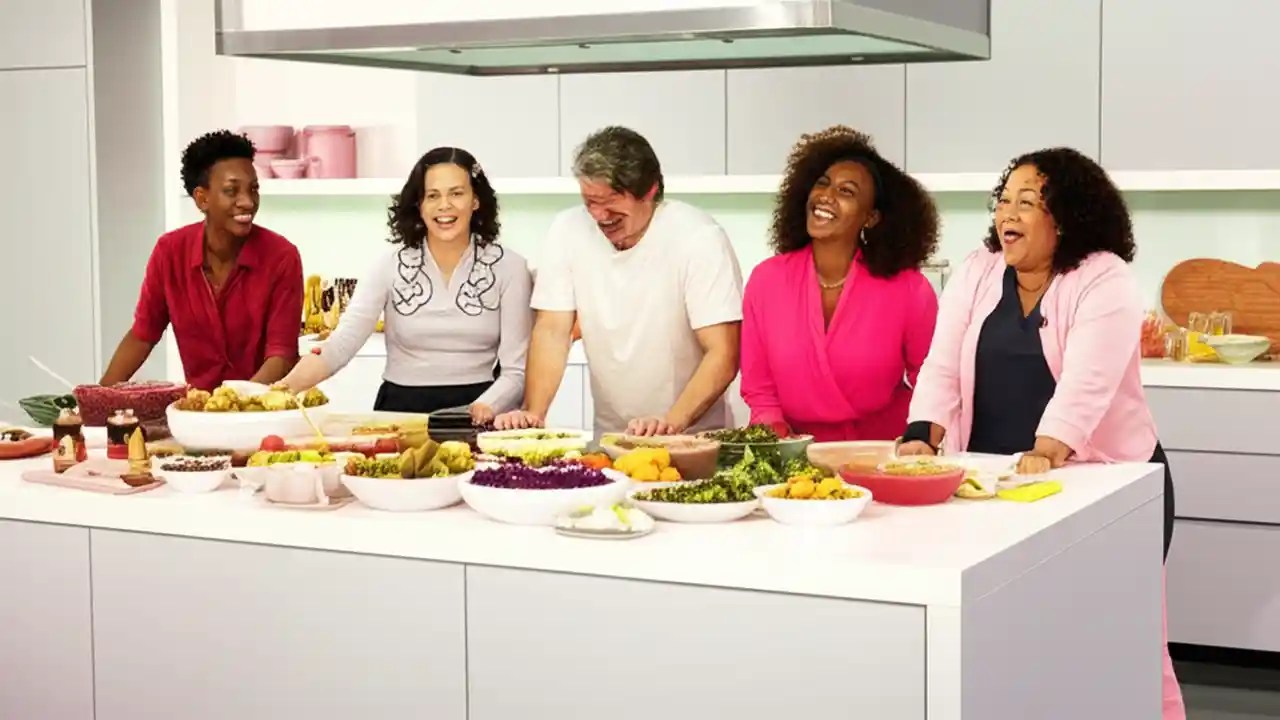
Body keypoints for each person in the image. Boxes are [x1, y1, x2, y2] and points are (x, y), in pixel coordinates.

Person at [897, 147, 1185, 718]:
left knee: (1117, 635)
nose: (1008, 213)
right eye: (1004, 200)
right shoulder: (978, 270)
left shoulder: (1104, 277)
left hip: (1106, 484)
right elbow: (942, 363)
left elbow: (1087, 383)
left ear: (1067, 216)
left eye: (1027, 202)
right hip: (1000, 489)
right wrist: (921, 434)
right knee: (1020, 639)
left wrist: (1046, 449)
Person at [493, 126, 743, 437]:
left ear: (649, 191)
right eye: (589, 201)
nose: (600, 215)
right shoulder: (567, 230)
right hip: (611, 437)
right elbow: (553, 331)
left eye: (611, 201)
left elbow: (723, 352)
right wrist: (534, 412)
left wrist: (670, 422)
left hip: (694, 438)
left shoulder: (699, 238)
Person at [278, 147, 531, 423]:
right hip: (399, 412)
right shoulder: (387, 266)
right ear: (419, 205)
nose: (444, 205)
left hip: (480, 410)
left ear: (476, 200)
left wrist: (482, 409)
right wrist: (281, 390)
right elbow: (340, 345)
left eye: (456, 193)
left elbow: (516, 372)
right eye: (432, 195)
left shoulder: (511, 268)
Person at [739, 126, 939, 442]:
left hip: (884, 450)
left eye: (846, 191)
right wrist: (776, 441)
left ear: (871, 217)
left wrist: (921, 441)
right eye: (822, 183)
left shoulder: (909, 289)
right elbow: (759, 389)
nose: (826, 196)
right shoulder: (767, 281)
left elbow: (932, 381)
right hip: (794, 452)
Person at [100, 130, 303, 390]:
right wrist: (97, 398)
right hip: (197, 408)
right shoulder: (170, 252)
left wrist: (234, 403)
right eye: (232, 191)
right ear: (202, 198)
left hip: (264, 405)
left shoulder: (281, 256)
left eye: (253, 189)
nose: (248, 202)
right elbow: (142, 336)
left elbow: (282, 356)